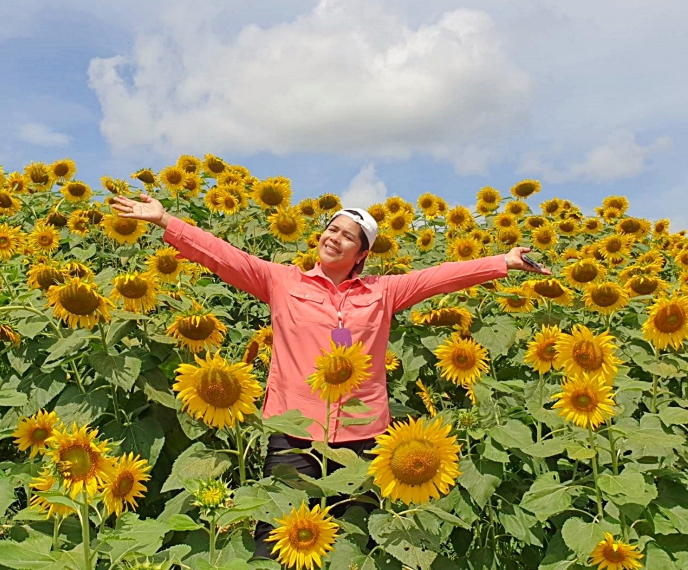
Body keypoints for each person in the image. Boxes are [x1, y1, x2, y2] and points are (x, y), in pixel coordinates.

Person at [111, 193, 549, 556]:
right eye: (332, 229)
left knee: (348, 544)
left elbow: (442, 277)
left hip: (362, 435)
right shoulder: (283, 282)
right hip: (293, 431)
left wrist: (503, 261)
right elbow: (225, 257)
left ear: (362, 254)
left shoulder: (383, 292)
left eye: (347, 236)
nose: (334, 238)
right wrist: (165, 221)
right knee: (276, 539)